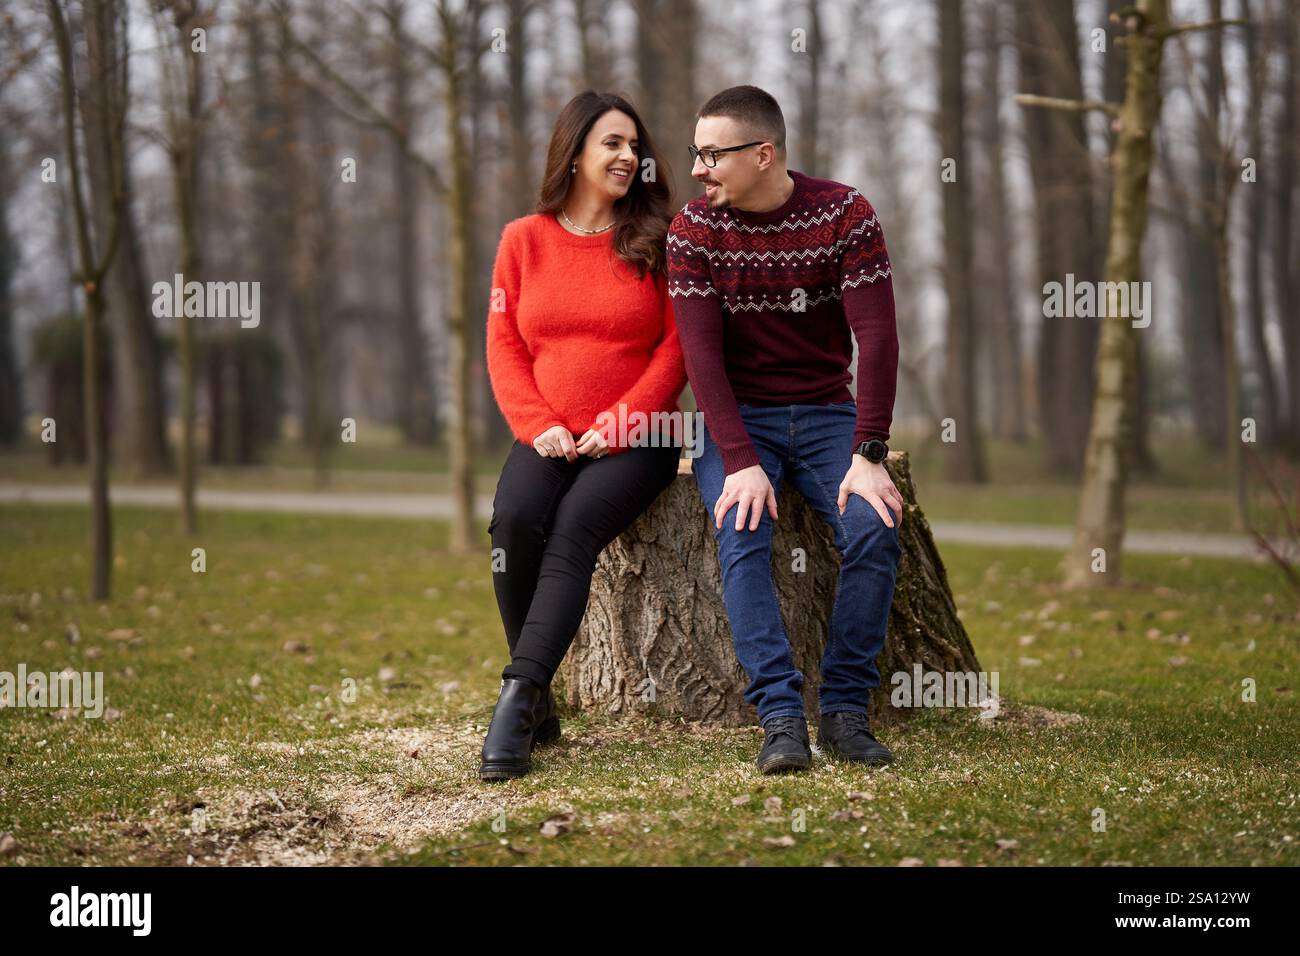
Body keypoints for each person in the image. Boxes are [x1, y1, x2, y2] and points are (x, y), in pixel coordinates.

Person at [667, 85, 903, 774]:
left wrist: (870, 451)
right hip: (737, 421)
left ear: (763, 154)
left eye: (712, 154)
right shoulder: (693, 229)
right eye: (696, 153)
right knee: (741, 530)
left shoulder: (844, 213)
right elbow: (701, 358)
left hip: (830, 415)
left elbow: (878, 337)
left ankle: (844, 711)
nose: (698, 169)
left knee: (874, 528)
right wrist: (738, 458)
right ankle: (778, 715)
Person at [480, 91, 687, 781]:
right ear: (574, 153)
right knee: (513, 523)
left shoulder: (660, 237)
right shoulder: (523, 240)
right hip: (548, 434)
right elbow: (504, 343)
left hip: (643, 434)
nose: (629, 156)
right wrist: (538, 427)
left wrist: (622, 421)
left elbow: (676, 349)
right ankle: (540, 703)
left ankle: (515, 702)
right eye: (612, 144)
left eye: (635, 145)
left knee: (572, 530)